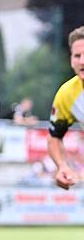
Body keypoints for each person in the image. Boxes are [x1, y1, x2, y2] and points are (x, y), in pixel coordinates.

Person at [48, 25, 84, 190]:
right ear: (71, 59)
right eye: (77, 56)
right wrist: (62, 166)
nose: (82, 61)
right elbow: (54, 137)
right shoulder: (66, 94)